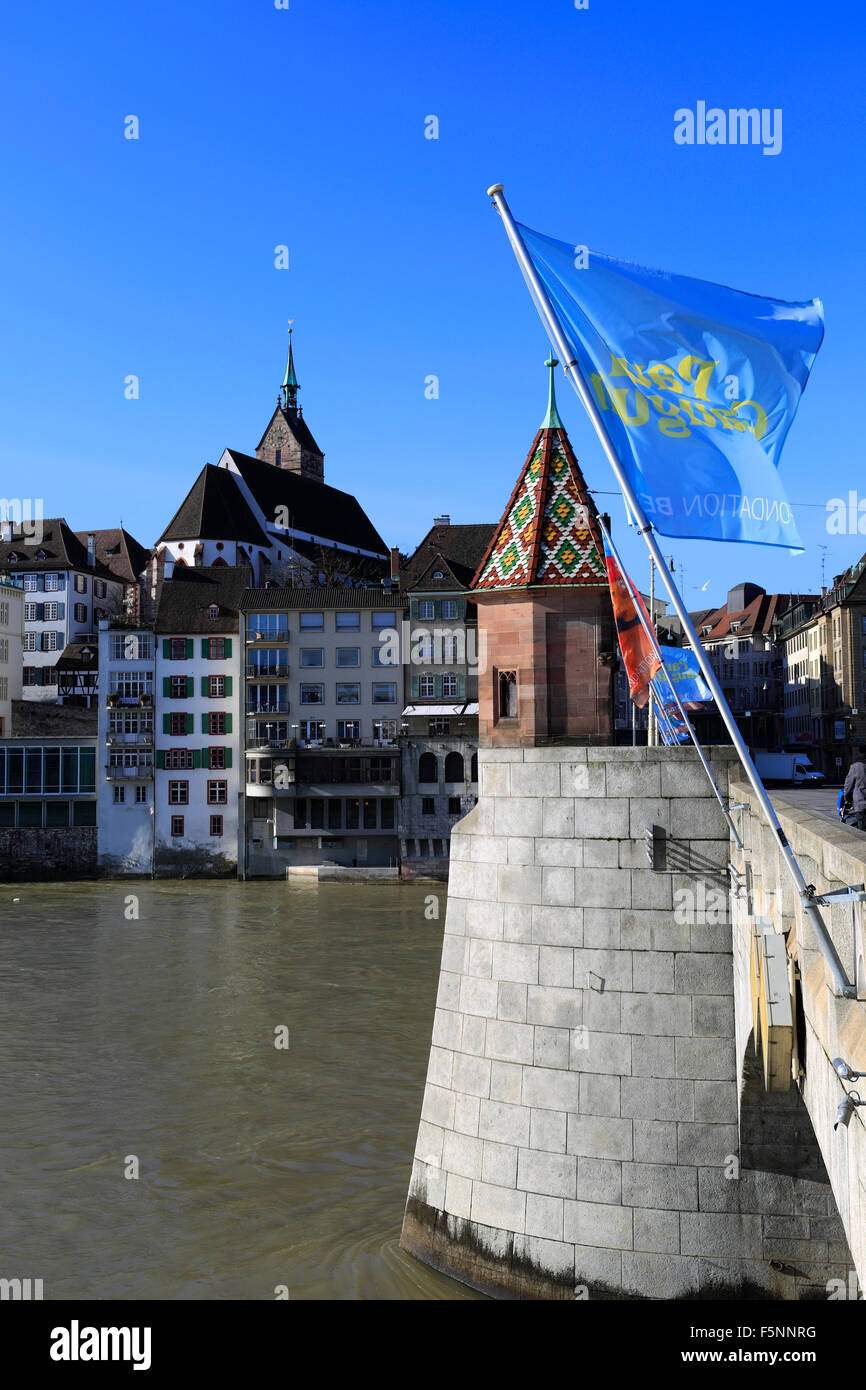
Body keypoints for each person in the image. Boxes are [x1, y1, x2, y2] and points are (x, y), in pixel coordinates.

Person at [842, 745, 866, 831]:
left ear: (859, 753)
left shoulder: (855, 766)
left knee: (862, 830)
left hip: (861, 803)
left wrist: (846, 797)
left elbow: (848, 784)